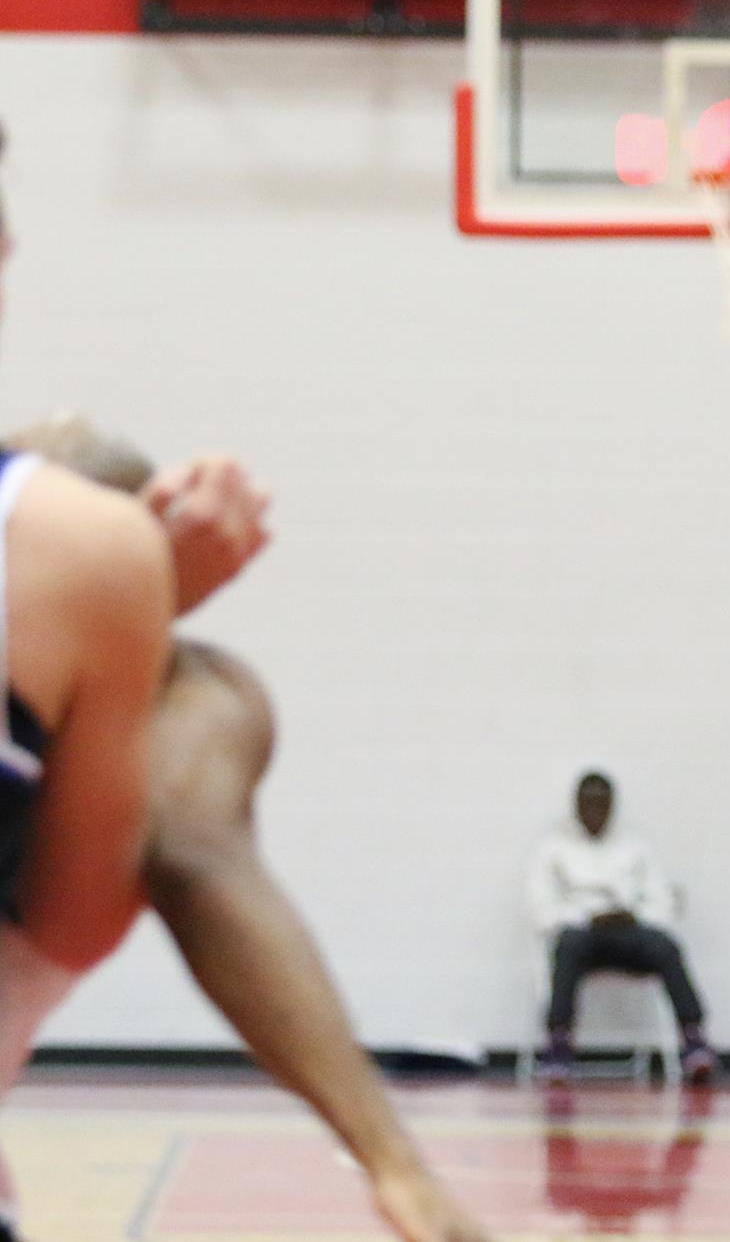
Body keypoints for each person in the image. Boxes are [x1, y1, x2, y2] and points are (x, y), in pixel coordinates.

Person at [0, 130, 486, 1242]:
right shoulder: (93, 566)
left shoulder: (86, 569)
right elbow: (91, 914)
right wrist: (127, 615)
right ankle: (401, 1174)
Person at [529, 771, 715, 1083]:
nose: (595, 811)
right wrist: (588, 917)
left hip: (629, 932)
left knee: (666, 946)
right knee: (567, 945)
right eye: (588, 804)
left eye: (601, 804)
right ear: (576, 806)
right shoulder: (552, 848)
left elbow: (661, 902)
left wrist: (632, 915)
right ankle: (559, 1044)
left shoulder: (635, 846)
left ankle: (693, 1039)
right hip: (582, 934)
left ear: (612, 806)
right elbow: (541, 911)